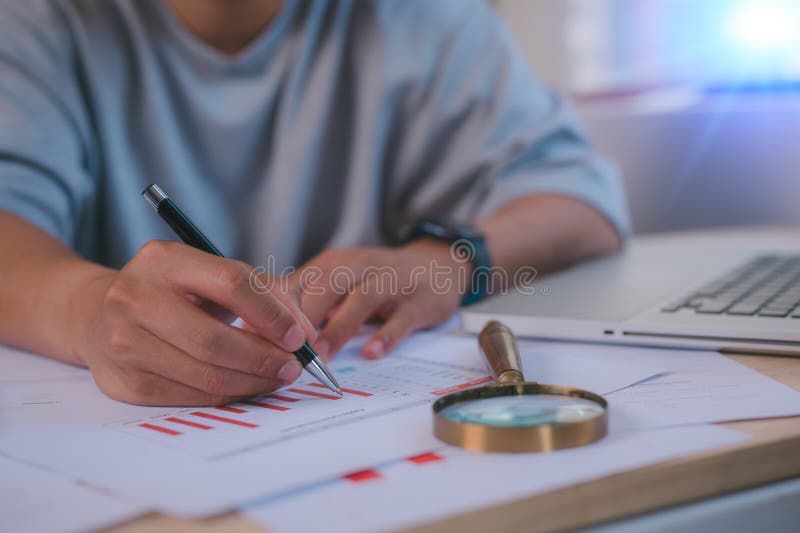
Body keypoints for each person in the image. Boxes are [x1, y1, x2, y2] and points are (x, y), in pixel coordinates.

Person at [0, 0, 629, 406]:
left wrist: (446, 259)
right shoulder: (33, 25)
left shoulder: (429, 20)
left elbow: (584, 204)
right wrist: (90, 314)